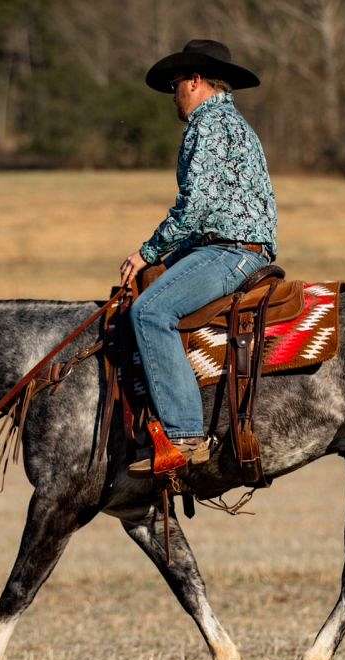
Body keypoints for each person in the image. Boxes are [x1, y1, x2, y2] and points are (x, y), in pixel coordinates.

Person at [121, 39, 278, 479]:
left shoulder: (208, 125)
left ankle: (186, 434)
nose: (174, 94)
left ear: (194, 81)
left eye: (175, 84)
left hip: (228, 251)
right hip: (231, 246)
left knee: (150, 311)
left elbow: (197, 207)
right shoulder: (232, 122)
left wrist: (147, 252)